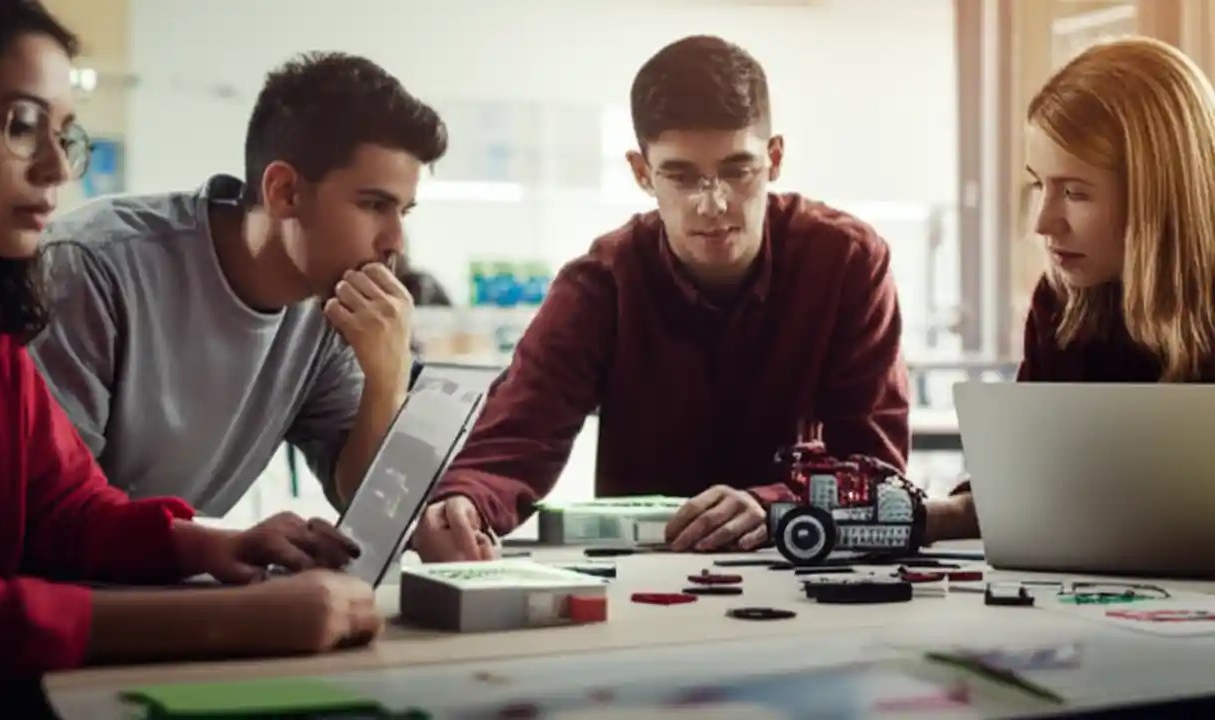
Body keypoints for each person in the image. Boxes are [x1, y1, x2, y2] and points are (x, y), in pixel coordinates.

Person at [0, 0, 382, 677]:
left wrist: (206, 546)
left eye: (67, 134)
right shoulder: (99, 264)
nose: (59, 168)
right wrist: (226, 619)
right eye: (22, 126)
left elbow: (65, 507)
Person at [412, 35, 916, 562]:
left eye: (737, 170)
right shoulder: (601, 283)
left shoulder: (847, 261)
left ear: (774, 157)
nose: (712, 203)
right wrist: (463, 502)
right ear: (641, 172)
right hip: (645, 577)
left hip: (800, 565)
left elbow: (876, 468)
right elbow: (517, 440)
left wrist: (774, 505)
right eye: (681, 175)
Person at [28, 49, 447, 515]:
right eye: (373, 206)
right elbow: (53, 513)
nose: (396, 243)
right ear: (284, 192)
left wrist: (386, 380)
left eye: (403, 212)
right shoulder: (95, 266)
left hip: (172, 574)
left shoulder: (332, 303)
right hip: (64, 580)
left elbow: (364, 503)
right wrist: (228, 555)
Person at [932, 36, 1215, 540]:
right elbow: (1033, 486)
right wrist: (932, 517)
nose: (1043, 222)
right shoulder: (1061, 302)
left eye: (1075, 193)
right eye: (1039, 184)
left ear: (1158, 195)